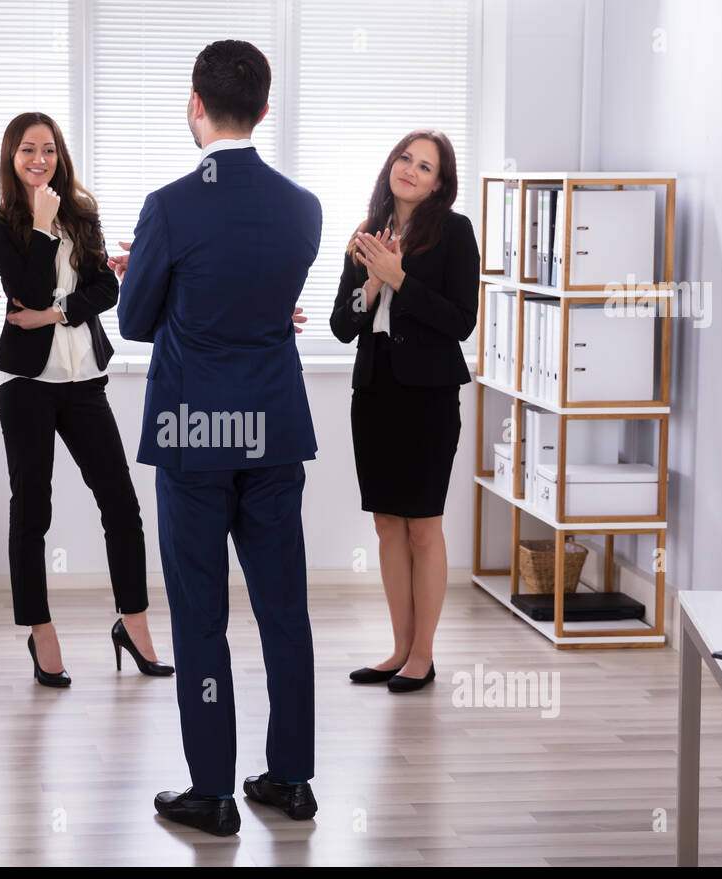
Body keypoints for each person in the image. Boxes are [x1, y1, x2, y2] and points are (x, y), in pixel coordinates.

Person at [115, 40, 323, 837]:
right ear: (264, 110)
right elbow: (260, 303)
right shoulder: (301, 206)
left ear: (194, 104)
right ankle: (293, 778)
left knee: (202, 617)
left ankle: (213, 791)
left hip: (194, 434)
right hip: (273, 429)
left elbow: (136, 321)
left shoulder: (170, 205)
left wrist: (150, 276)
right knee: (284, 612)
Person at [0, 112, 171, 688]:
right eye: (28, 149)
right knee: (33, 508)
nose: (40, 159)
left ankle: (133, 626)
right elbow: (27, 291)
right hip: (25, 384)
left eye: (50, 149)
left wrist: (58, 313)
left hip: (83, 376)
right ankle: (41, 631)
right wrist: (38, 226)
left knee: (120, 502)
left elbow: (107, 288)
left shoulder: (82, 213)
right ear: (11, 156)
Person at [328, 129, 480, 694]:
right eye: (405, 159)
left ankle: (424, 655)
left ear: (441, 183)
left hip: (429, 396)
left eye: (425, 166)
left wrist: (400, 280)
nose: (411, 170)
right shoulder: (368, 233)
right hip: (375, 392)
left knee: (423, 527)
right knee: (388, 525)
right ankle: (398, 648)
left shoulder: (455, 232)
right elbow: (342, 326)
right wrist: (369, 285)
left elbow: (461, 320)